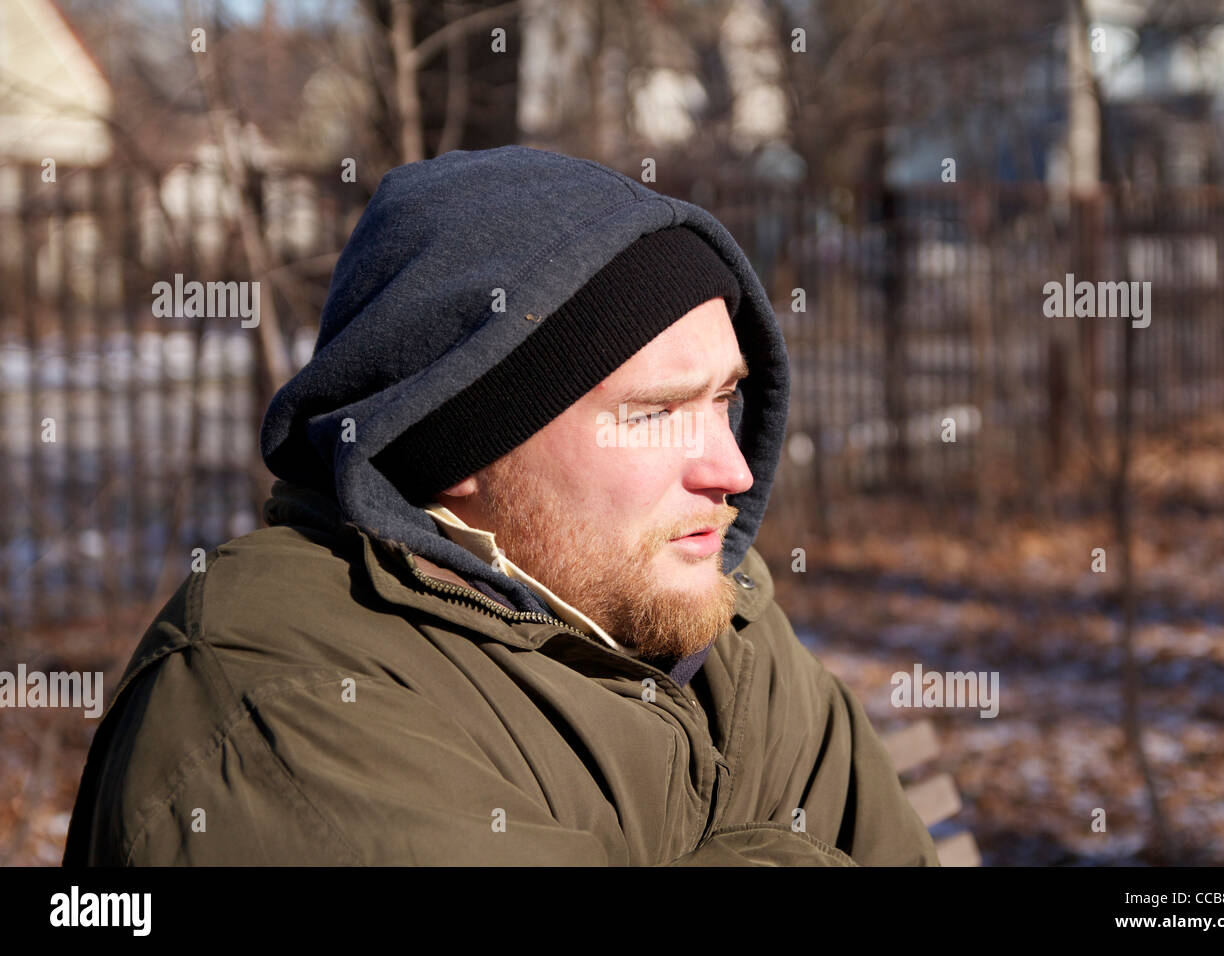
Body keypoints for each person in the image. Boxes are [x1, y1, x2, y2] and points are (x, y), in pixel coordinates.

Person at [63, 145, 939, 866]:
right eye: (655, 412)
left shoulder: (727, 640)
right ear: (461, 447)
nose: (730, 470)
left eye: (724, 400)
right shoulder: (277, 713)